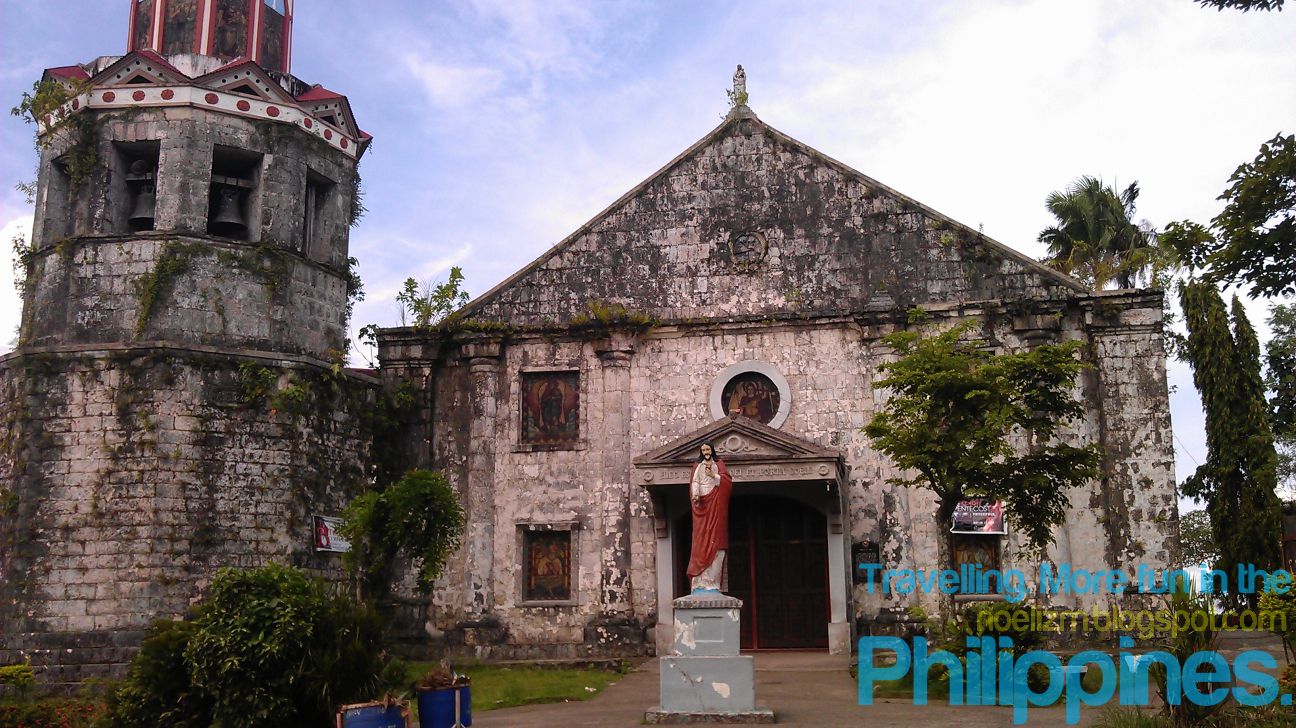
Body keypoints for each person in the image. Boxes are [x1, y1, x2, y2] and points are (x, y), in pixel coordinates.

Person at [687, 442, 733, 593]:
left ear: (712, 450)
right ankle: (700, 580)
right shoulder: (698, 465)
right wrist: (695, 495)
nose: (706, 452)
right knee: (701, 538)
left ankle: (712, 581)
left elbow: (727, 482)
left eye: (708, 449)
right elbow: (694, 481)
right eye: (703, 450)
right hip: (702, 503)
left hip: (715, 501)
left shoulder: (719, 464)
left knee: (717, 540)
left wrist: (714, 475)